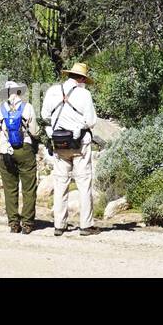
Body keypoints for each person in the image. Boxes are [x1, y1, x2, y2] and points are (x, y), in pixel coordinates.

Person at [41, 62, 99, 236]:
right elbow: (91, 121)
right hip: (80, 144)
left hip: (59, 143)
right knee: (84, 184)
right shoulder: (84, 94)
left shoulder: (52, 91)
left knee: (60, 184)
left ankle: (59, 225)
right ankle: (86, 225)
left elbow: (45, 116)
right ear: (81, 78)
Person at [0, 80, 40, 234]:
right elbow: (34, 131)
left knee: (10, 188)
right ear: (18, 92)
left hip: (5, 150)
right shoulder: (27, 107)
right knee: (28, 187)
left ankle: (14, 223)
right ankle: (27, 223)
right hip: (24, 148)